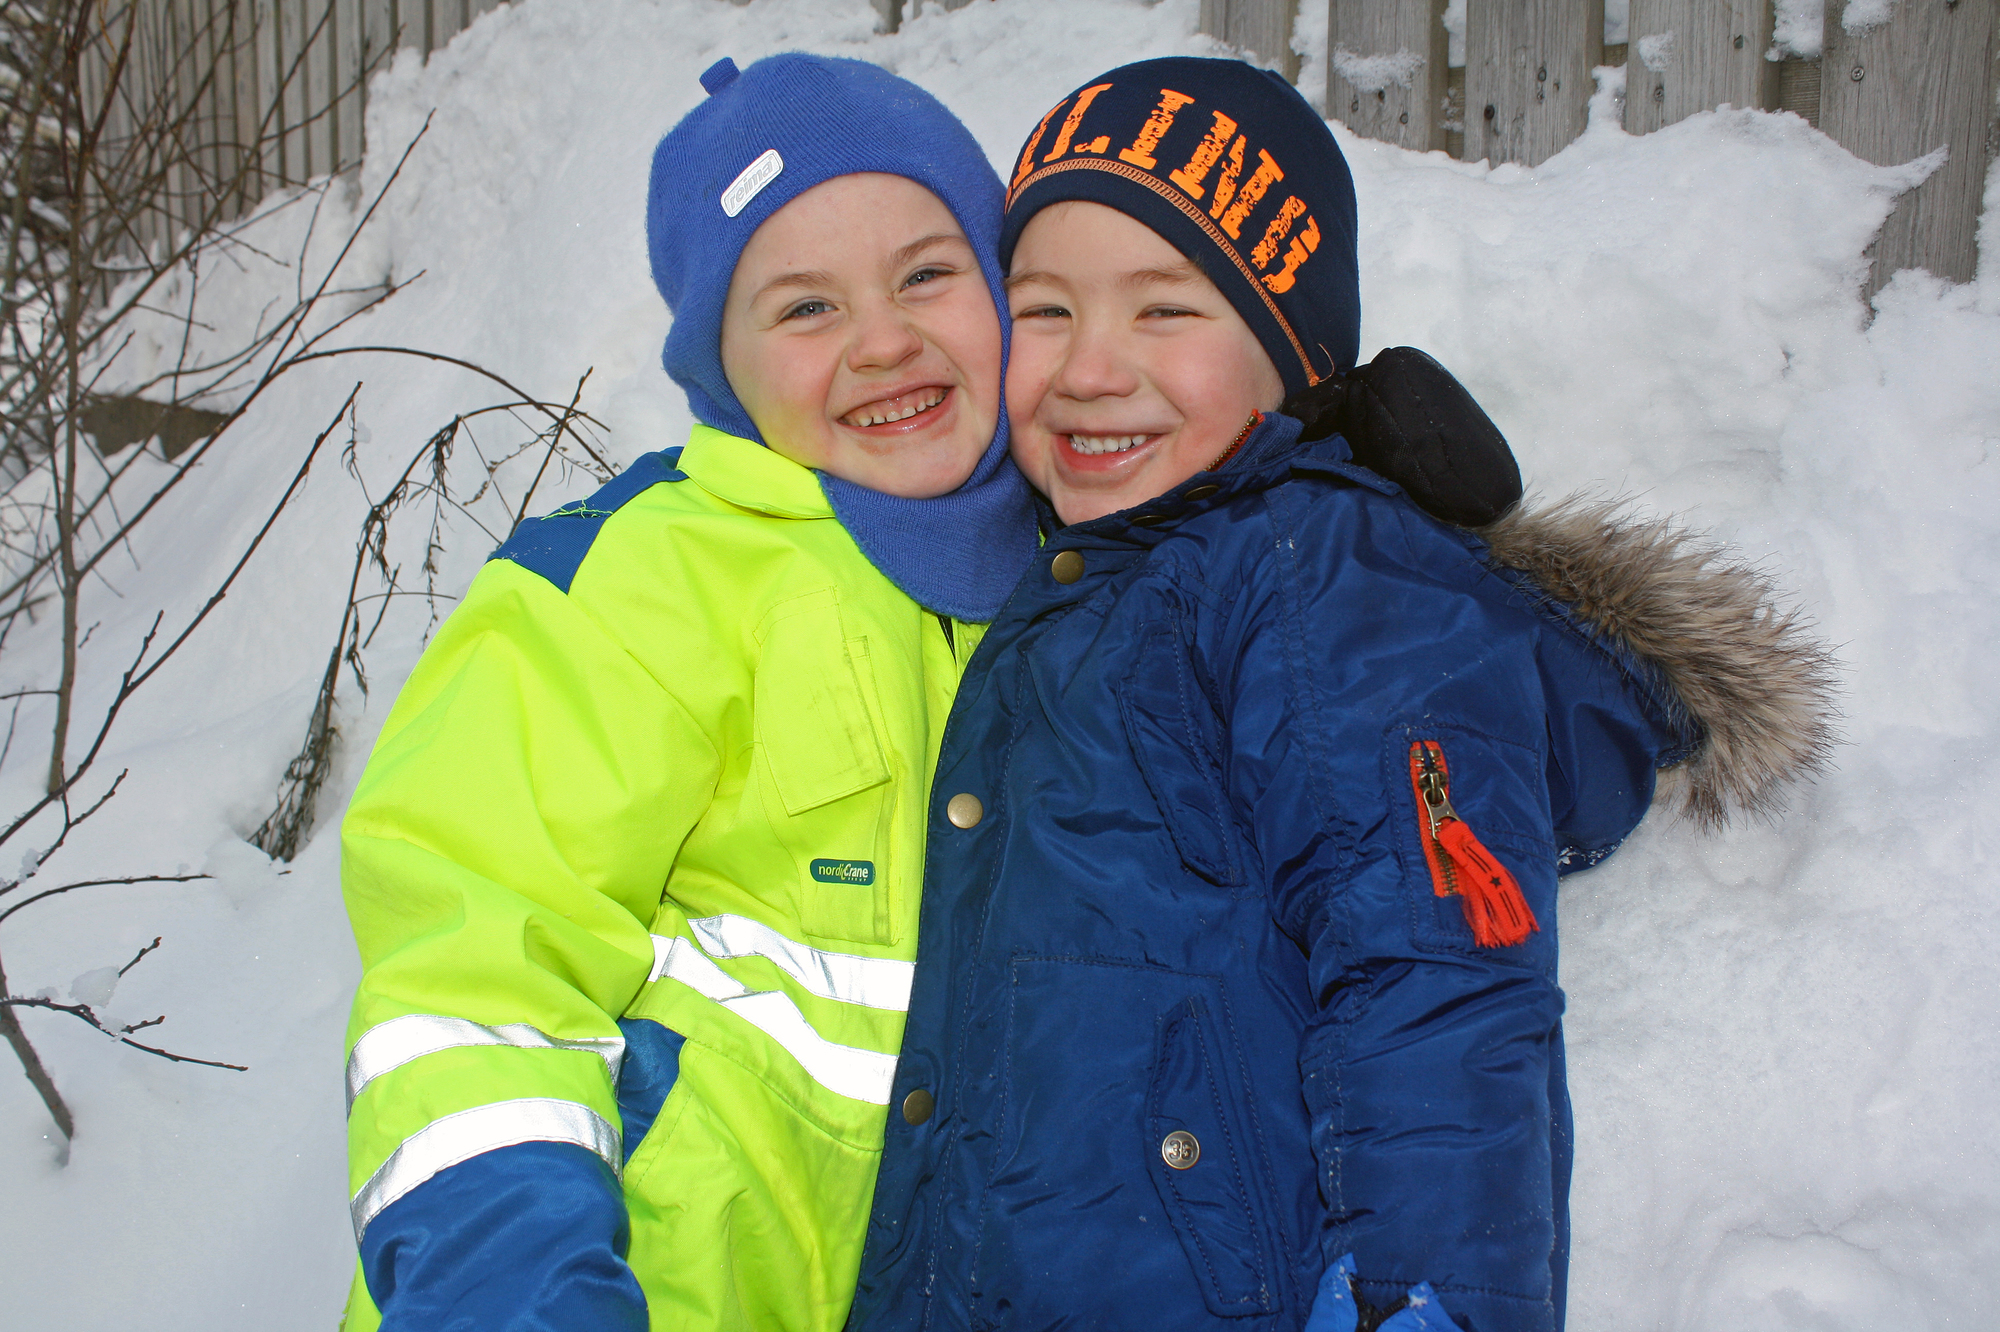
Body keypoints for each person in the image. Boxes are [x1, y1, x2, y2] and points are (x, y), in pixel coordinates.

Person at [336, 53, 1520, 1332]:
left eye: (925, 275)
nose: (882, 341)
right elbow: (472, 977)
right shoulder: (637, 581)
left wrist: (1333, 474)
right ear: (717, 366)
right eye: (801, 310)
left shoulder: (1078, 570)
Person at [848, 58, 1836, 1332]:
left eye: (1164, 313)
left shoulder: (1320, 578)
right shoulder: (1076, 586)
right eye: (1043, 311)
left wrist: (1415, 1303)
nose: (1091, 368)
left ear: (1285, 355)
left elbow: (1429, 976)